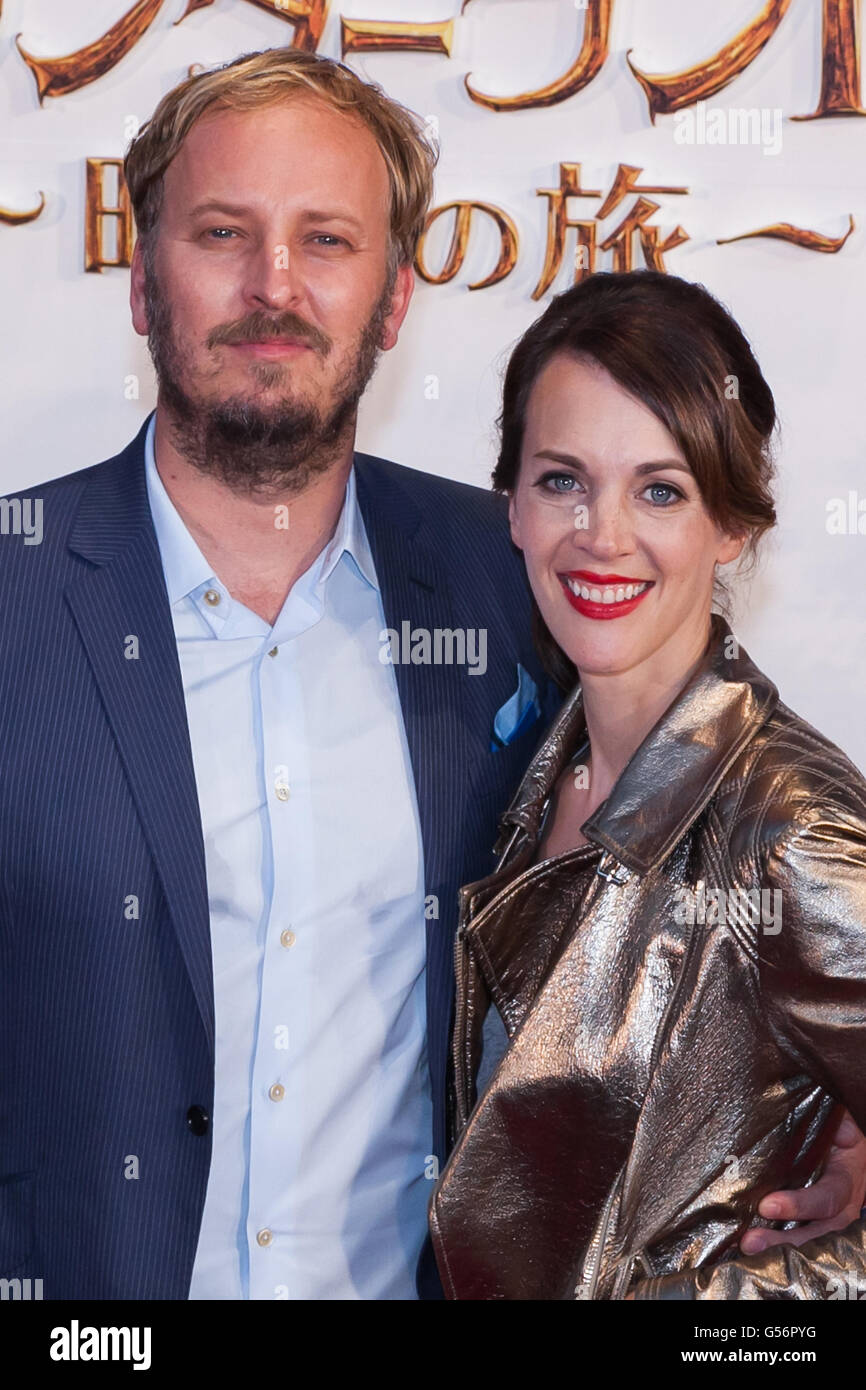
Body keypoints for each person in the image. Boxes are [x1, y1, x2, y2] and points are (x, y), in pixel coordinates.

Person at [0, 50, 856, 1301]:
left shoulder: (516, 575)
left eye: (327, 240)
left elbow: (728, 823)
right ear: (139, 279)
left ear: (396, 299)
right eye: (223, 232)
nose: (272, 286)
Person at [429, 269, 866, 1299]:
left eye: (658, 490)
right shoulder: (536, 774)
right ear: (511, 511)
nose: (602, 533)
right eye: (561, 480)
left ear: (732, 527)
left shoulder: (788, 824)